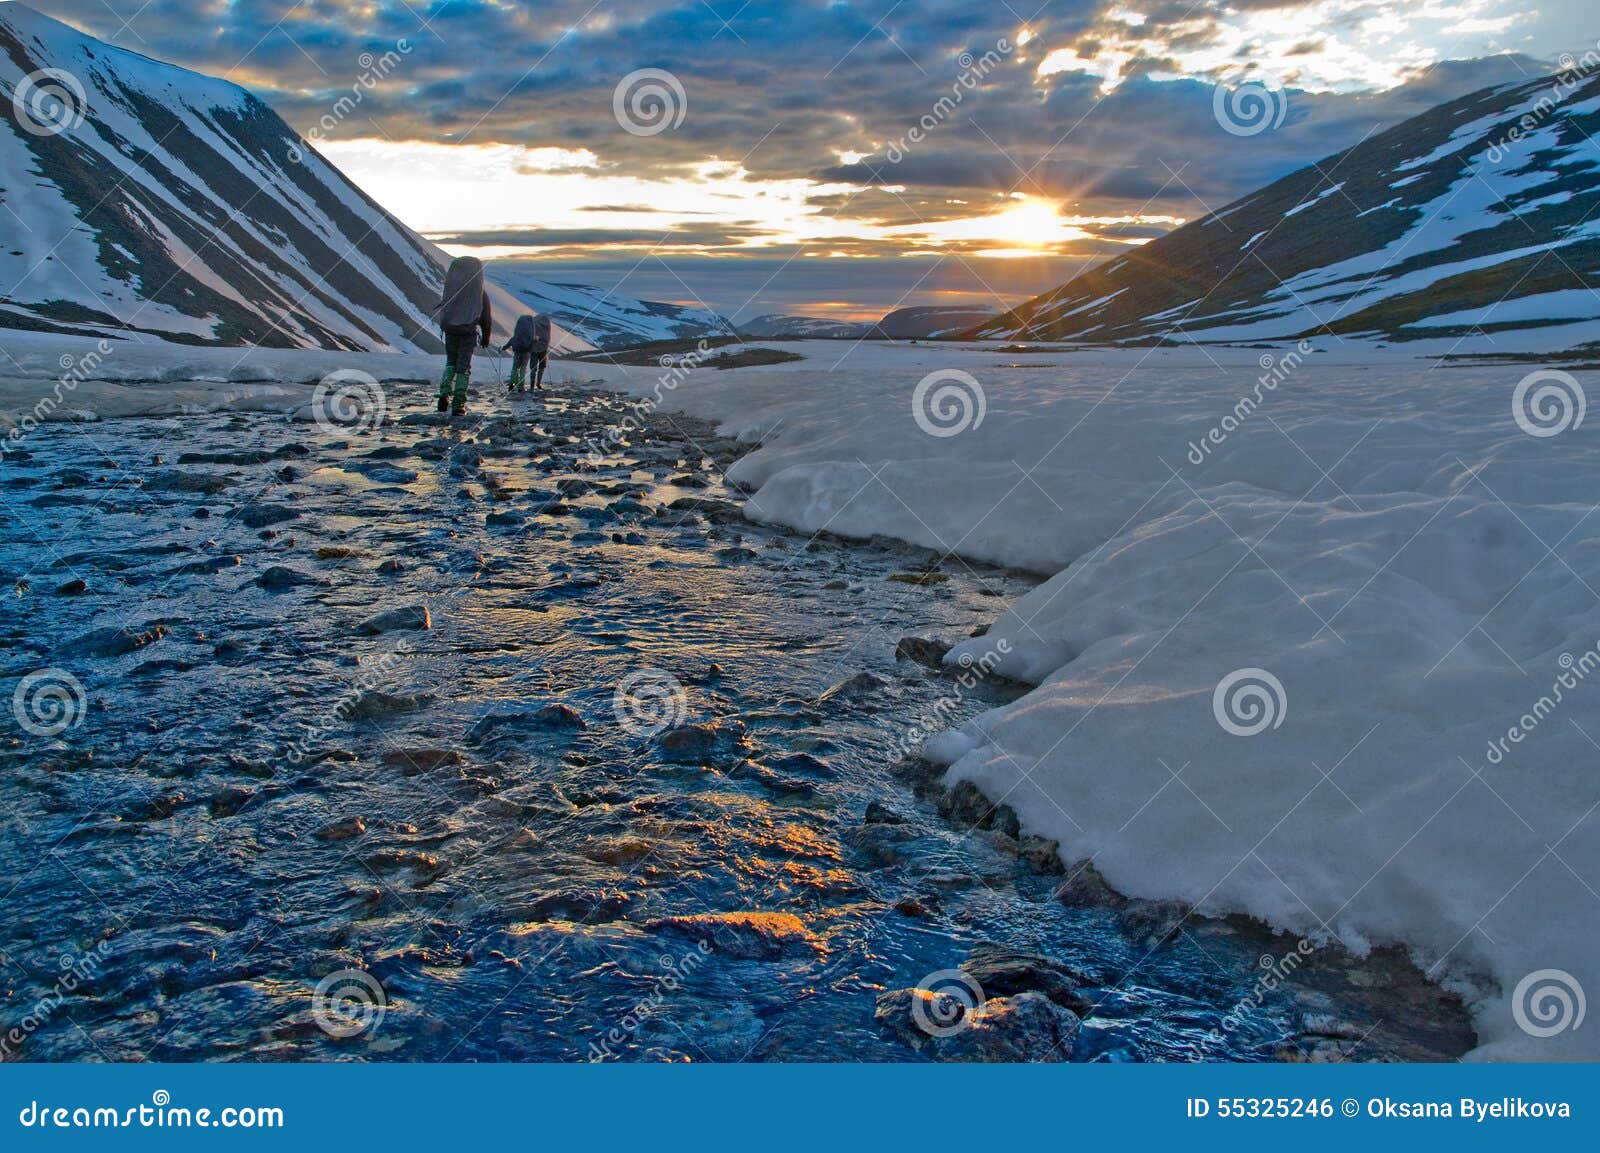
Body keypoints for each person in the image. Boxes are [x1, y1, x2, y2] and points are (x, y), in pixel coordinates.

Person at [435, 255, 491, 415]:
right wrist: (486, 337)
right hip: (467, 332)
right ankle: (458, 404)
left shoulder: (451, 289)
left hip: (450, 330)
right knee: (463, 366)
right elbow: (485, 319)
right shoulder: (479, 293)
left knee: (450, 362)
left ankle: (444, 395)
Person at [503, 313, 545, 392]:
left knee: (515, 367)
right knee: (523, 368)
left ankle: (512, 383)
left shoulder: (517, 334)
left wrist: (504, 348)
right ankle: (520, 387)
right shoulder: (530, 332)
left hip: (517, 351)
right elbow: (533, 340)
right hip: (526, 352)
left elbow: (512, 341)